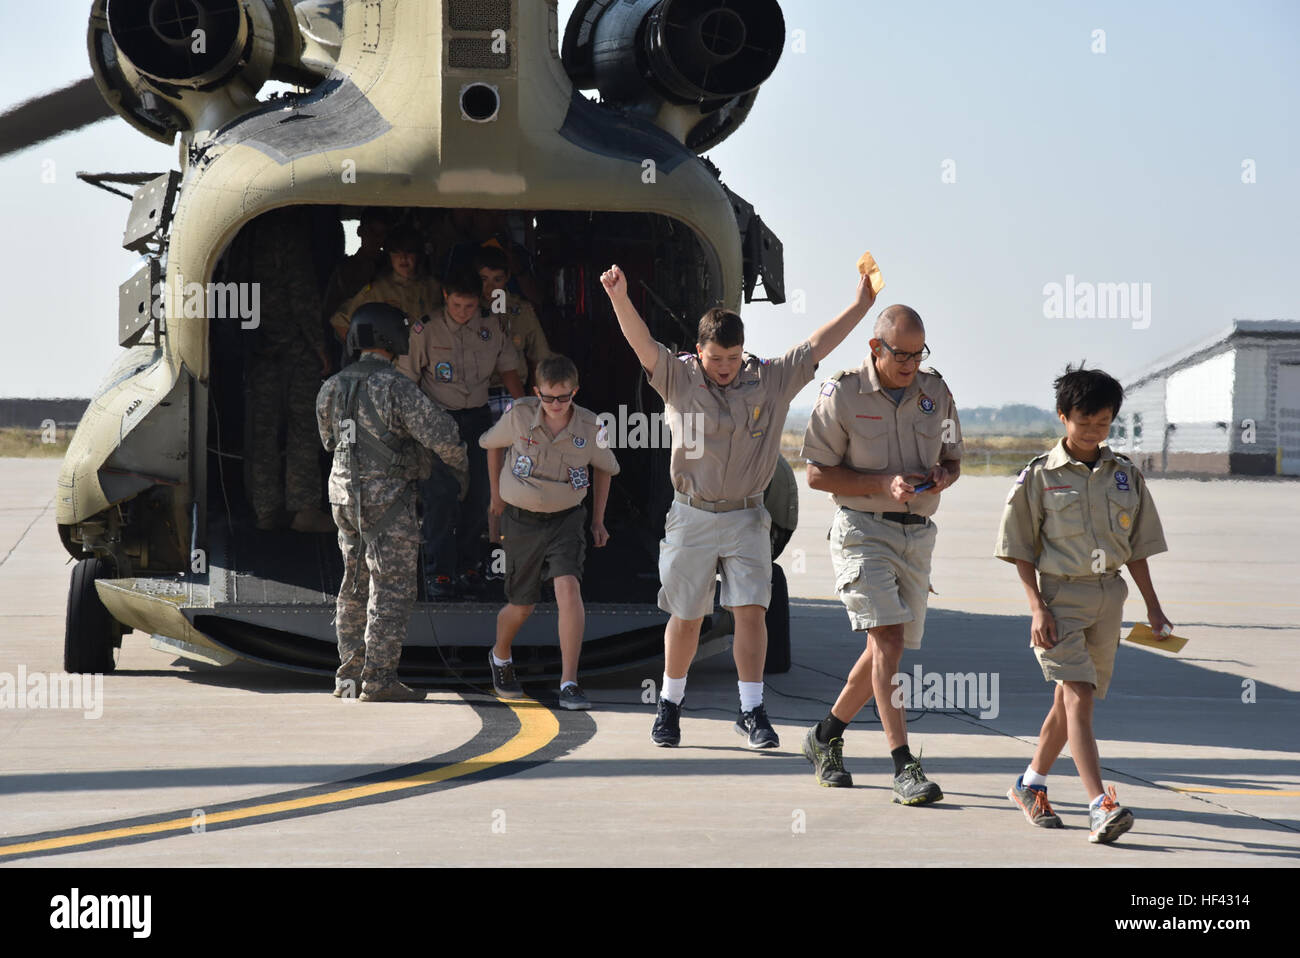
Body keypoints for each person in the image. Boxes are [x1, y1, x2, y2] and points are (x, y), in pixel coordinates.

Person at [600, 262, 877, 749]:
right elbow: (641, 344)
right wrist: (620, 297)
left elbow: (816, 346)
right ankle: (669, 704)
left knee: (751, 611)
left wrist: (860, 306)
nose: (724, 366)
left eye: (732, 357)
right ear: (699, 351)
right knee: (686, 616)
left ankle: (752, 709)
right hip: (692, 514)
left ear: (742, 350)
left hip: (748, 516)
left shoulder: (768, 381)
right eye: (715, 358)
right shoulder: (679, 379)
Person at [995, 365, 1170, 843]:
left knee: (1066, 701)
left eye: (1103, 422)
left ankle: (1029, 785)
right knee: (1080, 696)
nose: (1093, 431)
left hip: (1108, 597)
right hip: (1058, 599)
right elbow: (1019, 548)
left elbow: (1137, 547)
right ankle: (1100, 804)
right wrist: (1036, 607)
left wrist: (1152, 607)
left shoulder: (1125, 476)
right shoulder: (1038, 476)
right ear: (1063, 417)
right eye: (1084, 421)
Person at [798, 305, 962, 805]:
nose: (911, 364)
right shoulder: (843, 393)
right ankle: (903, 765)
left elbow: (954, 458)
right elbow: (818, 474)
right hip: (861, 530)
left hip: (917, 535)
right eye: (901, 354)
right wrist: (879, 484)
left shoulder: (937, 392)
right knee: (887, 641)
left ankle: (824, 735)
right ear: (876, 348)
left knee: (880, 654)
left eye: (919, 354)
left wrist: (943, 476)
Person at [316, 303, 469, 702]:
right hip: (389, 503)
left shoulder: (331, 386)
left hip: (344, 499)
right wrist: (462, 468)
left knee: (353, 584)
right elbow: (443, 436)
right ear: (392, 339)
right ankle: (379, 679)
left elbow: (329, 441)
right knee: (391, 587)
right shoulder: (398, 387)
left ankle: (348, 676)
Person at [478, 355, 620, 708]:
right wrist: (496, 497)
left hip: (567, 519)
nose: (556, 406)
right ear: (536, 391)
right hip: (521, 520)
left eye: (564, 397)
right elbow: (490, 444)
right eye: (548, 397)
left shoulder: (591, 426)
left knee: (568, 589)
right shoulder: (520, 415)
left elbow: (605, 469)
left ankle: (569, 681)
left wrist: (598, 520)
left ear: (575, 391)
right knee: (521, 604)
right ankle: (500, 656)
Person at [397, 269, 525, 598]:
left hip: (479, 419)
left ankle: (470, 565)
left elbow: (508, 368)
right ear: (445, 298)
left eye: (469, 306)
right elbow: (407, 380)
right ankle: (438, 571)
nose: (463, 312)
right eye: (457, 305)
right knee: (440, 495)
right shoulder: (425, 329)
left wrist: (526, 407)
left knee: (481, 494)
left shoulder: (490, 327)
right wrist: (408, 424)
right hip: (438, 418)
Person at [237, 207, 335, 533]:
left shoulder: (244, 232)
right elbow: (302, 292)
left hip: (256, 344)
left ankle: (265, 510)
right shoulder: (289, 230)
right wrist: (320, 346)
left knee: (262, 431)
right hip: (295, 345)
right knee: (303, 428)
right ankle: (304, 509)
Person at [329, 224, 441, 345]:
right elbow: (340, 322)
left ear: (419, 254)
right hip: (393, 361)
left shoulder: (435, 287)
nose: (403, 258)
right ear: (389, 255)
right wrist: (368, 353)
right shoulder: (377, 289)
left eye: (409, 252)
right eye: (396, 252)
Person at [477, 244, 552, 419]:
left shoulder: (522, 310)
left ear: (507, 277)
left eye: (497, 280)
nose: (490, 288)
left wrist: (532, 402)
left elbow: (539, 358)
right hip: (474, 396)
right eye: (484, 279)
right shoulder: (467, 309)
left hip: (514, 394)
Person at [321, 207, 391, 323]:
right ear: (360, 231)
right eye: (372, 231)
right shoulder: (345, 269)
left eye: (382, 233)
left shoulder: (394, 266)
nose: (376, 238)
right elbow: (330, 311)